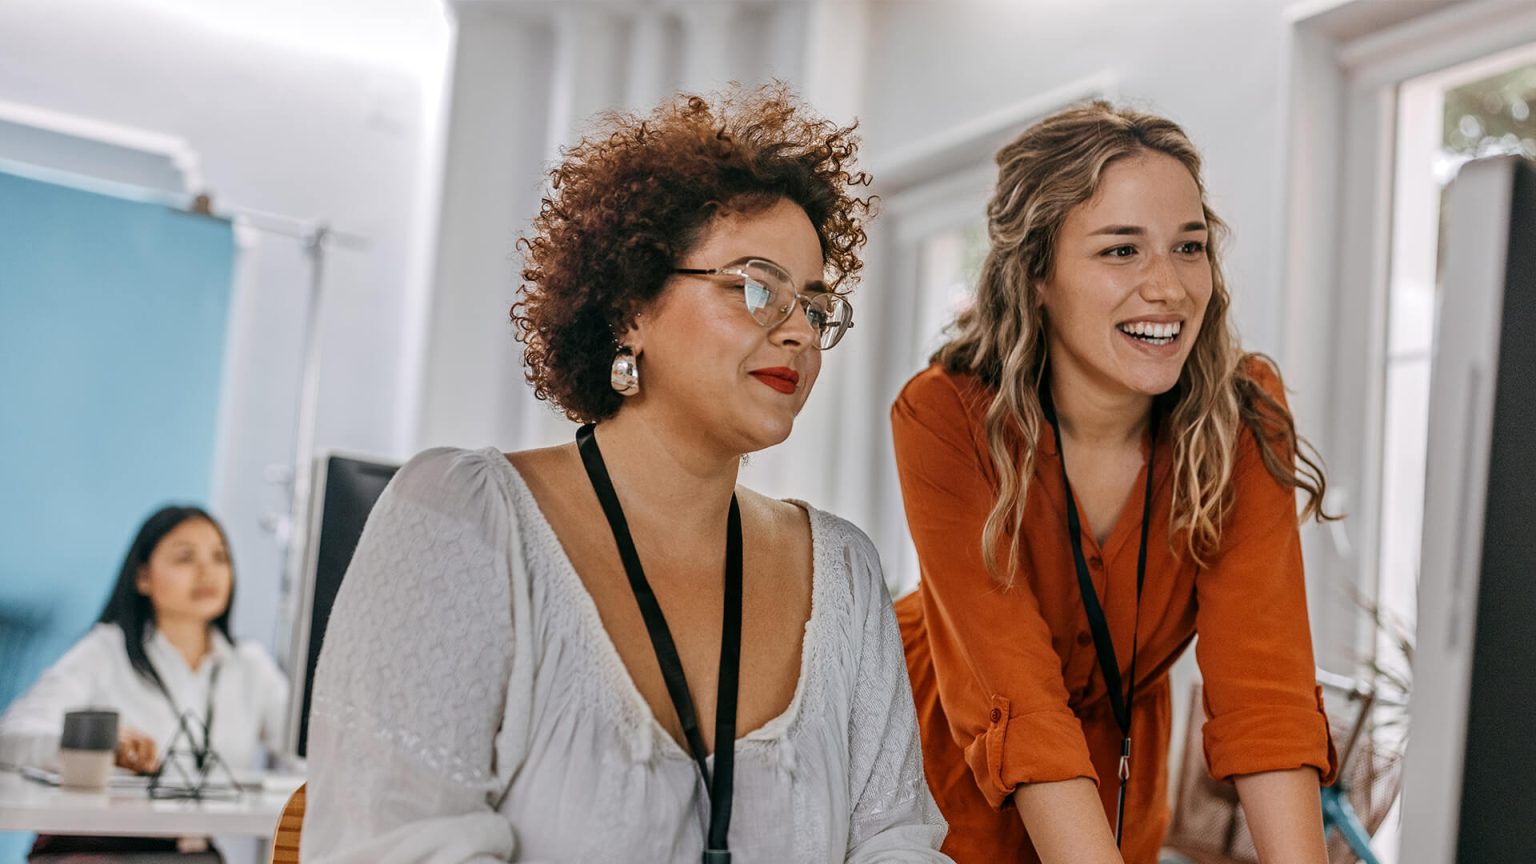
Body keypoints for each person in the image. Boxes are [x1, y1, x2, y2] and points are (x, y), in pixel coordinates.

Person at [301, 85, 949, 863]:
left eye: (814, 306)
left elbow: (896, 843)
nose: (797, 334)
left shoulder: (842, 572)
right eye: (756, 288)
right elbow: (395, 844)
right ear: (631, 305)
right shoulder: (462, 518)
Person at [892, 101, 1339, 864]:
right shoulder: (946, 415)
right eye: (1121, 251)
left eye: (1189, 247)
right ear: (1036, 273)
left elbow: (1265, 690)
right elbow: (1018, 698)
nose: (1168, 287)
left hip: (1120, 781)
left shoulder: (1243, 417)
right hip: (947, 769)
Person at [0, 505, 289, 858]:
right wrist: (95, 742)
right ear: (143, 577)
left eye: (220, 557)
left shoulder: (249, 666)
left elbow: (308, 754)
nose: (207, 572)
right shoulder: (105, 651)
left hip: (190, 854)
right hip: (91, 850)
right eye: (185, 558)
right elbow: (11, 738)